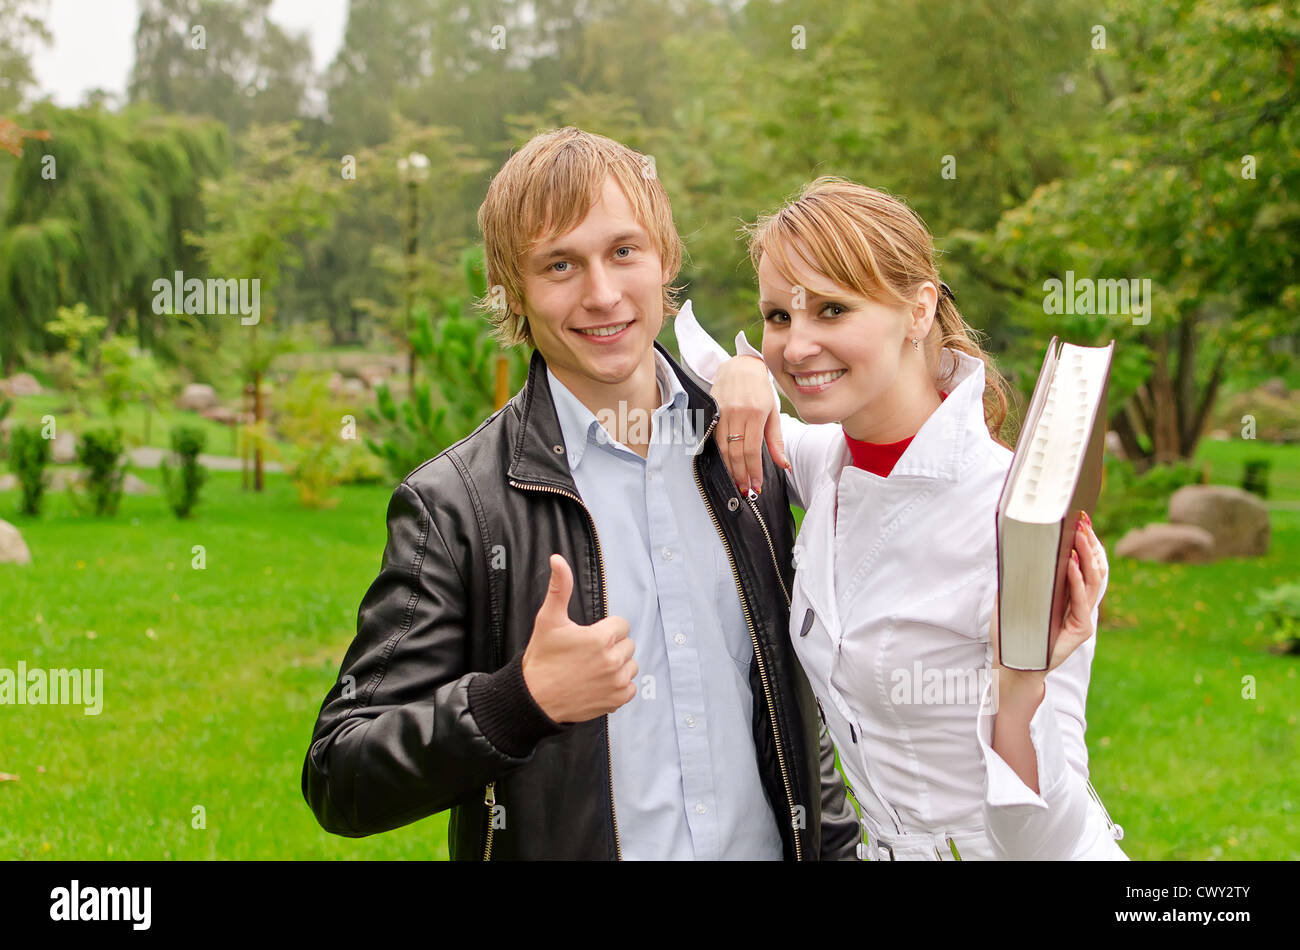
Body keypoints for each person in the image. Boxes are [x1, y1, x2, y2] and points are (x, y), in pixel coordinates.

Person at [301, 128, 860, 860]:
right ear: (515, 292)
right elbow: (340, 774)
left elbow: (793, 717)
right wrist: (518, 702)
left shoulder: (744, 455)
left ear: (665, 261)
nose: (602, 294)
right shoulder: (459, 506)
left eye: (624, 251)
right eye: (559, 264)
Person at [675, 176, 1128, 860]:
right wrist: (743, 372)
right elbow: (706, 362)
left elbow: (1046, 842)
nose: (796, 348)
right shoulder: (828, 458)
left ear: (918, 312)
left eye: (832, 310)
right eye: (778, 317)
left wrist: (1019, 680)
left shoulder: (1009, 519)